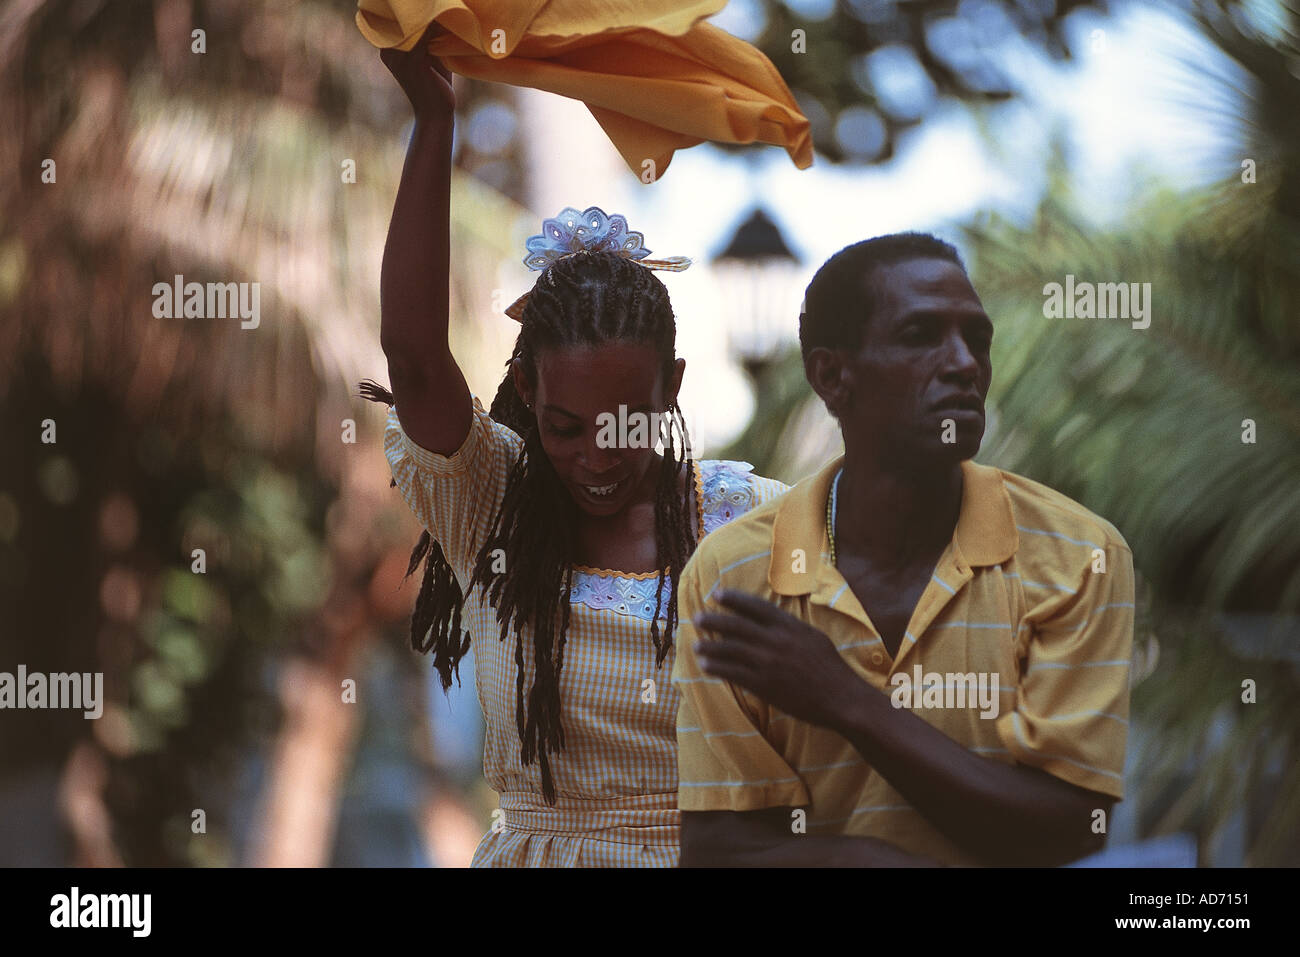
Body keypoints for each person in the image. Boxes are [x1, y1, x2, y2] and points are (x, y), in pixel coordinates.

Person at [363, 37, 788, 867]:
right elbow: (413, 359)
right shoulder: (489, 503)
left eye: (624, 421)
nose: (597, 456)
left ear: (672, 387)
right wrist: (434, 119)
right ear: (525, 390)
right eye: (565, 426)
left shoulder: (750, 520)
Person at [672, 233, 1135, 866]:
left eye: (977, 338)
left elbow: (1073, 826)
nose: (965, 364)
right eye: (922, 335)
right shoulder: (732, 573)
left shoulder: (1078, 555)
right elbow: (720, 851)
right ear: (832, 376)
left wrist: (846, 701)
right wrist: (864, 861)